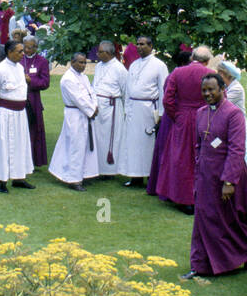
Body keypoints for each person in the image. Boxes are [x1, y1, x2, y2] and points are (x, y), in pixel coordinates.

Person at [182, 73, 247, 279]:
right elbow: (198, 145)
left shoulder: (234, 114)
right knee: (204, 219)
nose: (207, 94)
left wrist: (229, 181)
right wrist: (198, 169)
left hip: (228, 176)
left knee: (229, 221)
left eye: (211, 90)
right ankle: (201, 264)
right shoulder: (201, 113)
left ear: (222, 89)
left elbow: (237, 149)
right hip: (206, 176)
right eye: (204, 90)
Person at [156, 46, 215, 212]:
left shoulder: (177, 72)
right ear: (207, 60)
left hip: (182, 118)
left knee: (180, 158)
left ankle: (181, 197)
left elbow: (167, 99)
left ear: (192, 58)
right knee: (203, 156)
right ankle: (201, 197)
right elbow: (219, 97)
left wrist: (177, 115)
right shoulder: (210, 74)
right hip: (204, 118)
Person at [0, 40, 36, 193]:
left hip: (20, 114)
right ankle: (0, 181)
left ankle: (19, 177)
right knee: (3, 147)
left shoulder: (21, 68)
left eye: (23, 51)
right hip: (5, 113)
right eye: (20, 51)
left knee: (20, 145)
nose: (23, 54)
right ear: (9, 52)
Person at [119, 36, 168, 187]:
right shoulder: (133, 65)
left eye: (143, 44)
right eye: (137, 44)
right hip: (133, 108)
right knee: (133, 144)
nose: (139, 47)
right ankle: (135, 176)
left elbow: (163, 90)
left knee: (147, 145)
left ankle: (150, 177)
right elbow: (128, 89)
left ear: (151, 46)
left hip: (148, 109)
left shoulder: (159, 65)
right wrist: (127, 108)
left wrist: (161, 113)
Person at [48, 52, 98, 190]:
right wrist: (91, 110)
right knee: (75, 145)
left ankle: (84, 174)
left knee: (85, 145)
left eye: (84, 63)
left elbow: (91, 93)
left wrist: (94, 105)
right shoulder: (68, 78)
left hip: (85, 114)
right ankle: (73, 179)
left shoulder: (84, 77)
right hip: (74, 115)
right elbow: (79, 98)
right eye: (80, 62)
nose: (83, 65)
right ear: (72, 62)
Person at [147, 47, 190, 197]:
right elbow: (168, 99)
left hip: (171, 116)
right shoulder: (175, 76)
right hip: (174, 117)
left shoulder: (174, 75)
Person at [92, 41, 128, 178]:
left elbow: (125, 91)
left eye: (100, 52)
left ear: (108, 53)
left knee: (110, 139)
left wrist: (126, 111)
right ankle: (97, 167)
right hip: (98, 107)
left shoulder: (119, 69)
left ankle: (109, 170)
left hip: (112, 108)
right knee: (98, 138)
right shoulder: (99, 66)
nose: (97, 54)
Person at [21, 34, 50, 166]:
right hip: (19, 99)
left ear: (36, 48)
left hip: (34, 101)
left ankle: (33, 160)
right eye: (25, 47)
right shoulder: (18, 58)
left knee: (34, 130)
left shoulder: (42, 61)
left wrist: (30, 81)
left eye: (30, 47)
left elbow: (45, 83)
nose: (27, 50)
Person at [217, 60, 247, 174]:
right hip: (227, 123)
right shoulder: (227, 87)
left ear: (222, 74)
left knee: (241, 151)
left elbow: (221, 103)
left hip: (238, 124)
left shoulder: (236, 88)